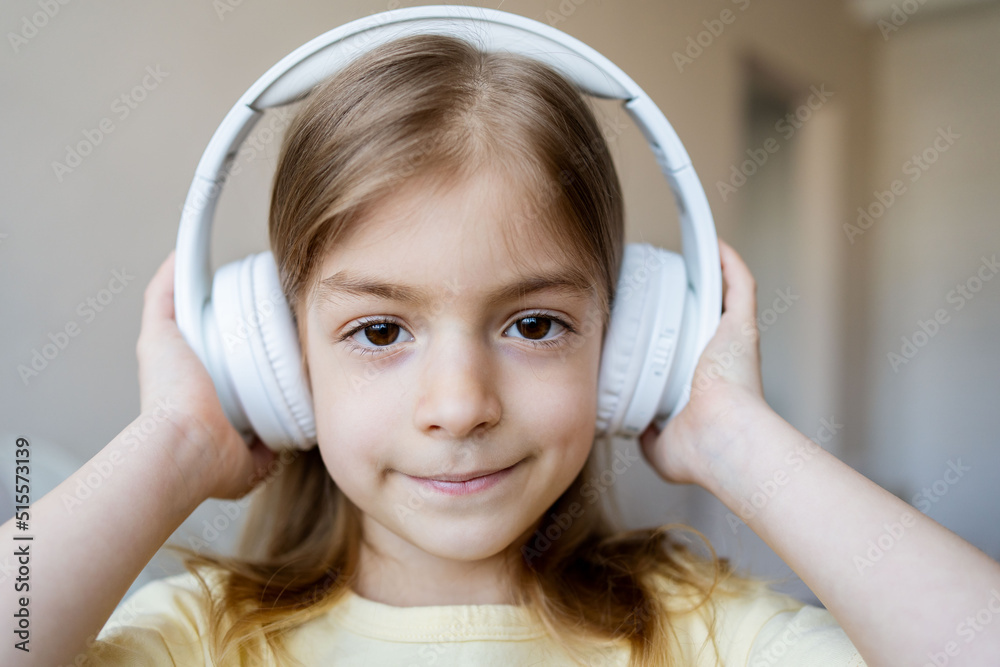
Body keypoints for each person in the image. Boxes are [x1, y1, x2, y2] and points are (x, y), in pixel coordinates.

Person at [5, 33, 999, 667]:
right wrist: (177, 442)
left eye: (533, 324)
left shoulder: (697, 629)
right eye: (379, 330)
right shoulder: (204, 636)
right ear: (273, 362)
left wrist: (734, 437)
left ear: (633, 348)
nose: (460, 404)